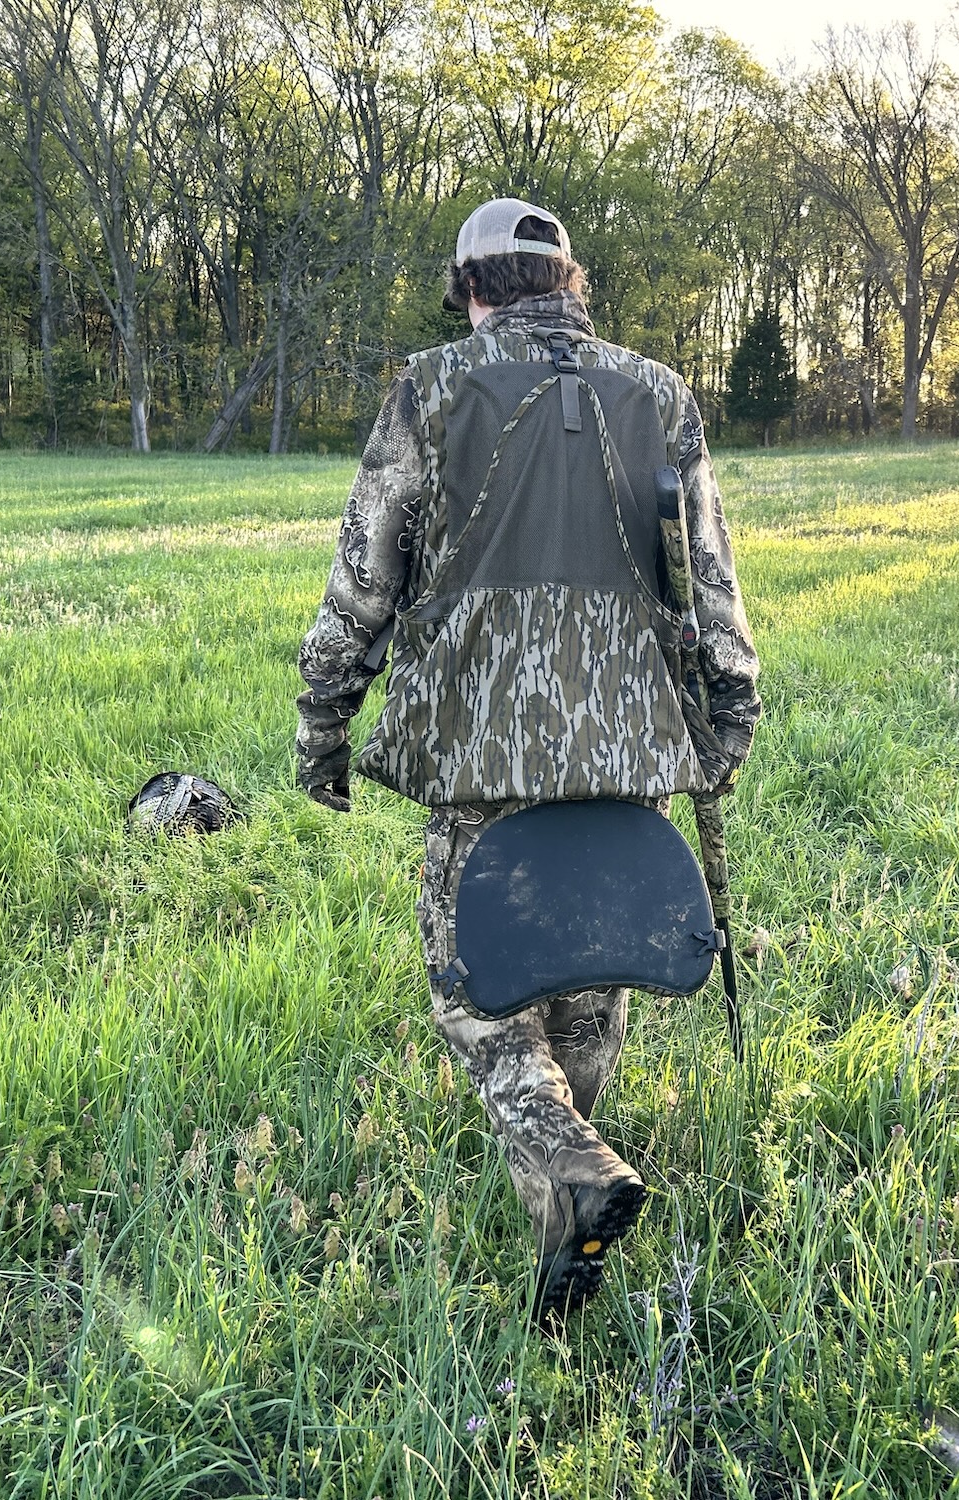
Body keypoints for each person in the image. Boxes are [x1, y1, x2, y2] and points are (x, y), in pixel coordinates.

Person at [293, 198, 762, 1321]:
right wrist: (728, 717)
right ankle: (565, 1239)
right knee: (586, 987)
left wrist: (325, 722)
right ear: (569, 281)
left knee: (475, 989)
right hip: (626, 748)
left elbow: (364, 578)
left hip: (480, 751)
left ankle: (573, 1166)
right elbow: (709, 578)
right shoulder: (659, 393)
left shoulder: (432, 390)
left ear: (472, 288)